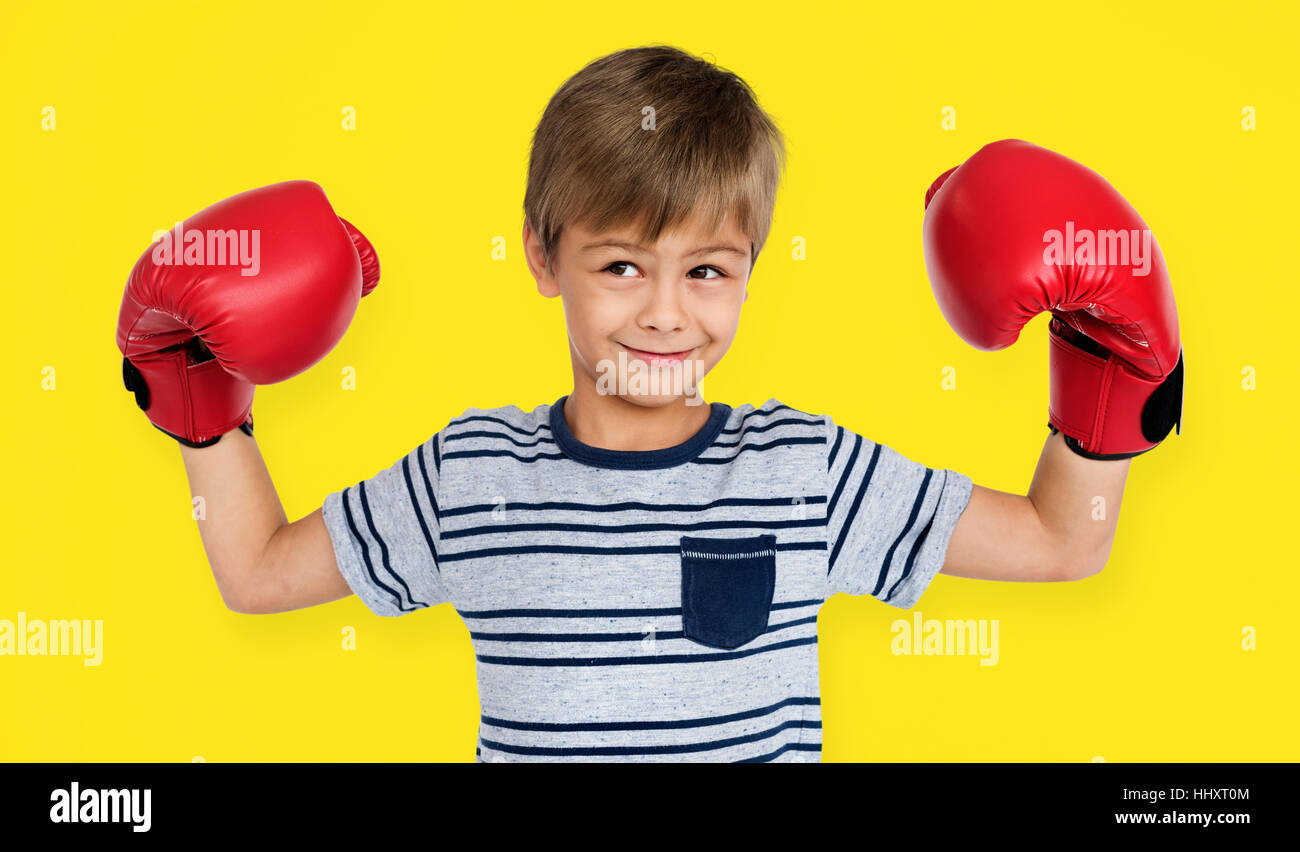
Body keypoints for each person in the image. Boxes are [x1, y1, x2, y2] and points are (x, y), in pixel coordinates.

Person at [120, 46, 1182, 762]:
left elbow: (1059, 544)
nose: (668, 315)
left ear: (752, 269)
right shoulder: (471, 474)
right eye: (622, 266)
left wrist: (1110, 375)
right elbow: (257, 574)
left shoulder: (803, 472)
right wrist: (200, 401)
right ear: (543, 258)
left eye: (708, 272)